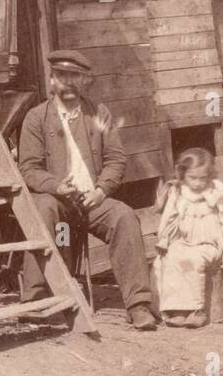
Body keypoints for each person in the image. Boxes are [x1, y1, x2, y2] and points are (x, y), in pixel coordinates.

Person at [16, 49, 158, 330]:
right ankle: (37, 299)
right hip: (58, 200)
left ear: (84, 81)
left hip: (92, 201)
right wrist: (56, 186)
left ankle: (138, 304)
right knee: (42, 208)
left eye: (75, 76)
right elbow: (29, 169)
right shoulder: (36, 118)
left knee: (124, 216)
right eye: (62, 76)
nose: (68, 82)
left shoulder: (99, 113)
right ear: (52, 80)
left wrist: (102, 190)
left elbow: (116, 158)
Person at [153, 148, 223, 328]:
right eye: (192, 178)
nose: (197, 183)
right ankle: (177, 309)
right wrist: (165, 239)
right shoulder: (179, 193)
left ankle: (197, 310)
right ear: (183, 175)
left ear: (209, 175)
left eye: (202, 178)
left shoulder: (217, 194)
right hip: (185, 241)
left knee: (194, 261)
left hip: (210, 244)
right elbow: (169, 218)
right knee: (173, 257)